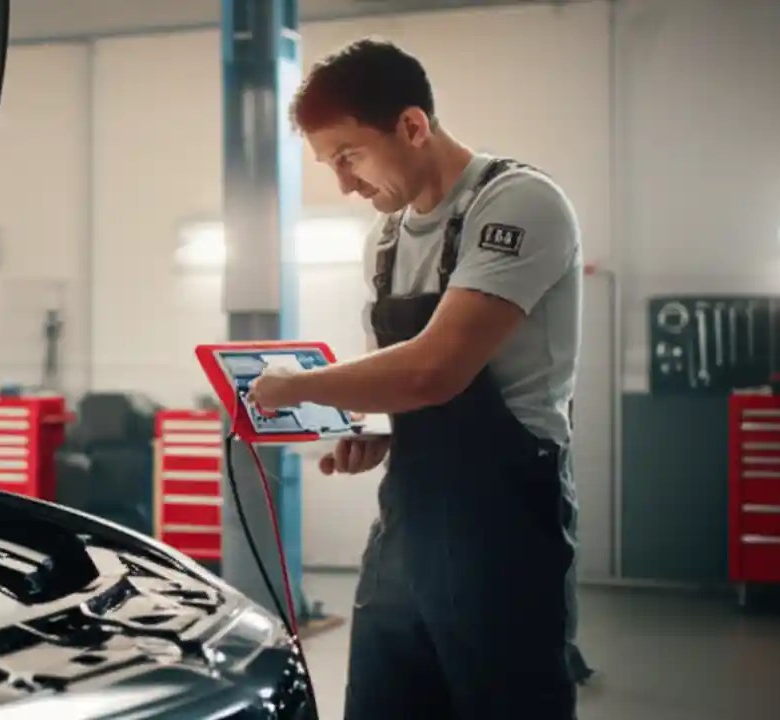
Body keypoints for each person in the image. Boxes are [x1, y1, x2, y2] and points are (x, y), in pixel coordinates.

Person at [247, 39, 587, 719]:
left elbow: (434, 369)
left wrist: (297, 386)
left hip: (504, 520)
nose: (343, 184)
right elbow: (405, 385)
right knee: (383, 700)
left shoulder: (518, 203)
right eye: (329, 164)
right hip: (408, 514)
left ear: (412, 126)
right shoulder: (387, 239)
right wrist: (379, 435)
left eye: (348, 156)